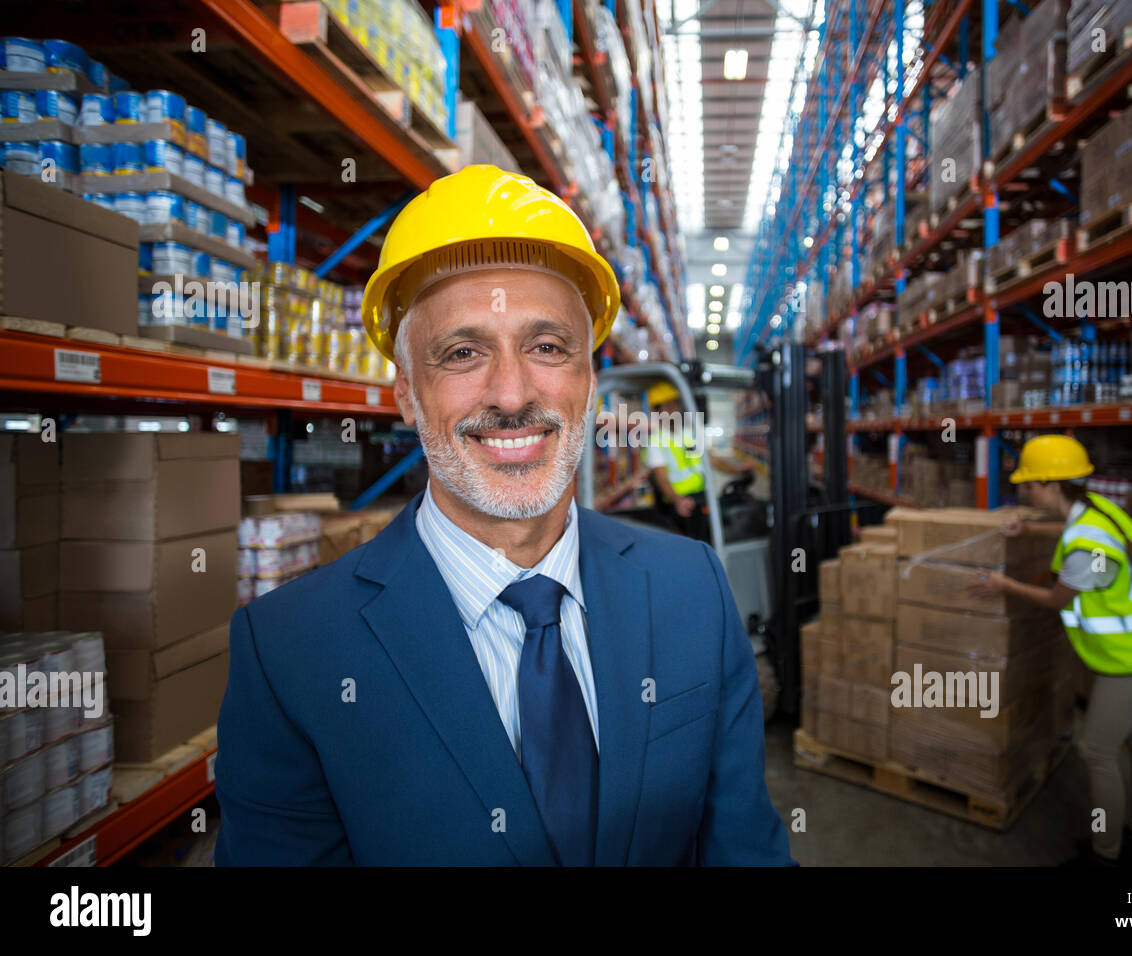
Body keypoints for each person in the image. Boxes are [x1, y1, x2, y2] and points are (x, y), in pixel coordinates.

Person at [214, 165, 793, 866]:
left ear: (587, 378)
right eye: (463, 353)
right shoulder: (291, 653)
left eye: (547, 347)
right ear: (405, 392)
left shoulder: (692, 589)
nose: (513, 394)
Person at [968, 434, 1132, 867]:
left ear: (1050, 483)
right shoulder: (1099, 510)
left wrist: (1001, 585)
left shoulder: (1087, 549)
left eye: (1027, 485)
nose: (1022, 491)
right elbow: (1074, 530)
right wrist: (1029, 528)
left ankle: (1106, 856)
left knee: (1097, 752)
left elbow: (1054, 600)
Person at [642, 384, 751, 542]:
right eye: (667, 406)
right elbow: (662, 478)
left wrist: (739, 470)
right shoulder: (656, 441)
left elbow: (712, 460)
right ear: (657, 412)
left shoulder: (689, 434)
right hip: (681, 504)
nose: (673, 410)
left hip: (701, 497)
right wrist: (677, 500)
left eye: (675, 404)